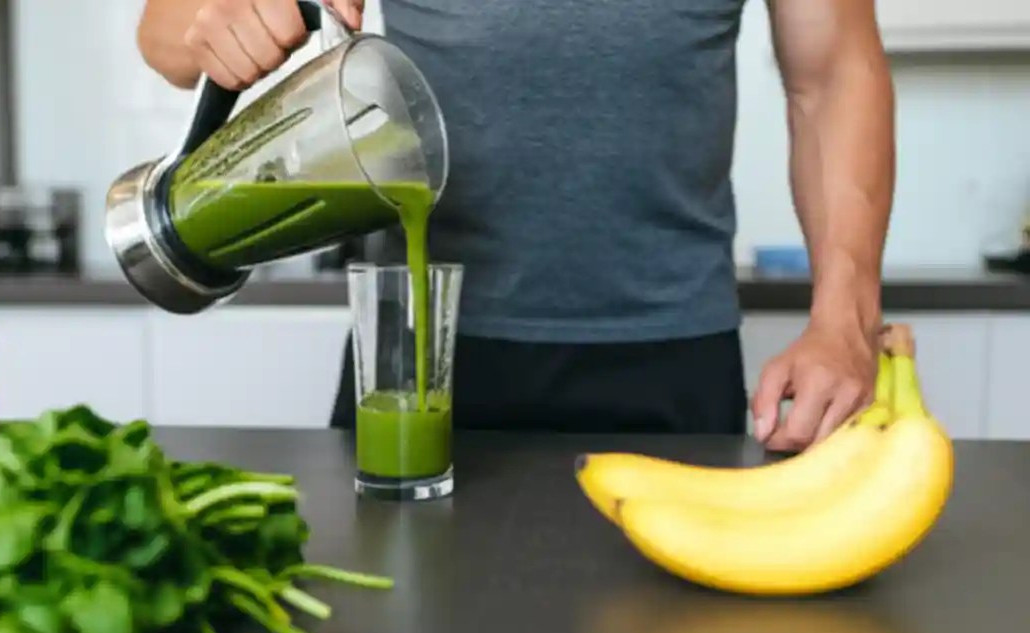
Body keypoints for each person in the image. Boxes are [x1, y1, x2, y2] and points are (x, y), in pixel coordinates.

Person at [136, 0, 894, 452]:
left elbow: (833, 78)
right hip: (420, 358)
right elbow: (166, 33)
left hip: (671, 362)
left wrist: (844, 321)